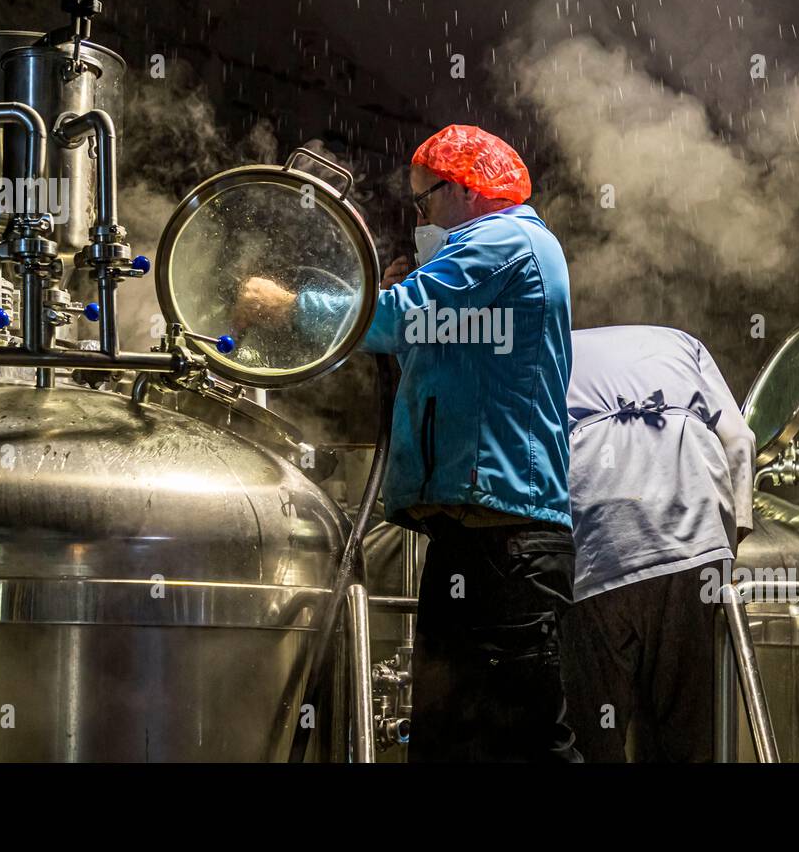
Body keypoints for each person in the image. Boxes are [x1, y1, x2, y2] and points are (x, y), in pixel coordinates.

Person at [238, 125, 579, 762]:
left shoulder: (505, 240)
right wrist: (402, 290)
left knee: (528, 743)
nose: (419, 216)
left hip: (506, 542)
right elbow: (429, 332)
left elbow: (399, 317)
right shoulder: (492, 257)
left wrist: (289, 307)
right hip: (477, 536)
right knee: (450, 740)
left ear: (468, 190)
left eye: (424, 201)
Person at [558, 325, 756, 762]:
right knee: (687, 735)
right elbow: (741, 439)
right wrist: (729, 545)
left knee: (594, 737)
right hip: (694, 541)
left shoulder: (554, 348)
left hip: (599, 550)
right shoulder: (684, 344)